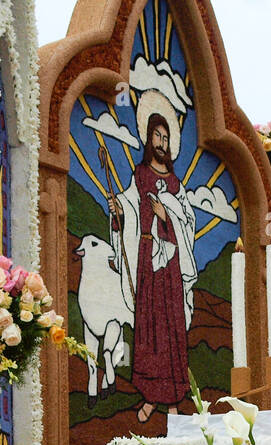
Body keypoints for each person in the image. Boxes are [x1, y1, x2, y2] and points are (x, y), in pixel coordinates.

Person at [108, 89, 198, 423]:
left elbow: (187, 222)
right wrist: (119, 210)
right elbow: (131, 205)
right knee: (148, 328)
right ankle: (149, 397)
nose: (161, 142)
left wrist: (166, 216)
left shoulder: (175, 182)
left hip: (170, 265)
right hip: (147, 256)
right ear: (149, 139)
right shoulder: (141, 174)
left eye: (165, 137)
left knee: (171, 329)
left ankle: (174, 400)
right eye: (156, 136)